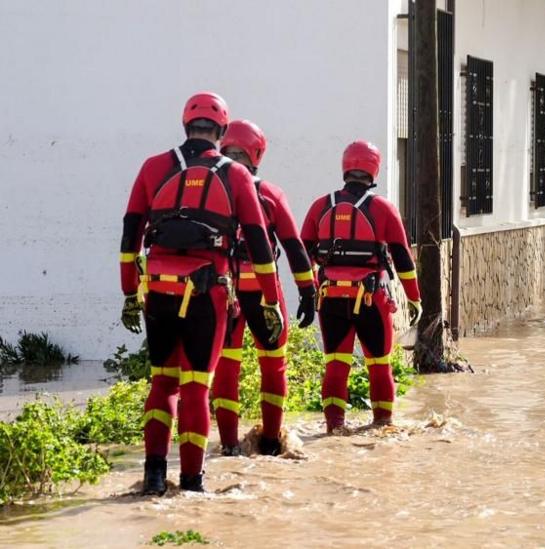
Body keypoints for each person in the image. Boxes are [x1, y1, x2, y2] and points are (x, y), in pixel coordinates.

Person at [119, 92, 284, 494]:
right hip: (208, 291)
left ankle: (155, 476)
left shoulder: (153, 167)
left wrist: (128, 292)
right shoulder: (236, 175)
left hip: (157, 287)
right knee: (196, 385)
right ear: (222, 131)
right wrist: (270, 300)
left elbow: (129, 236)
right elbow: (260, 245)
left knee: (162, 383)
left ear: (185, 126)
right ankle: (192, 485)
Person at [211, 119, 317, 456]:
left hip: (223, 291)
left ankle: (228, 446)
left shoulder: (210, 190)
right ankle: (272, 443)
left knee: (226, 367)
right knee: (274, 365)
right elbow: (293, 246)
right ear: (257, 153)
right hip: (262, 290)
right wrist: (308, 292)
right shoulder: (269, 193)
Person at [300, 140, 422, 433]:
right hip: (370, 299)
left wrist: (308, 290)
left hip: (329, 296)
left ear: (346, 167)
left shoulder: (321, 206)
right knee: (379, 364)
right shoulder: (382, 208)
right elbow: (403, 257)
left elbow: (302, 252)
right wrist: (415, 299)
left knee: (336, 363)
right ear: (373, 169)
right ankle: (382, 425)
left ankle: (334, 428)